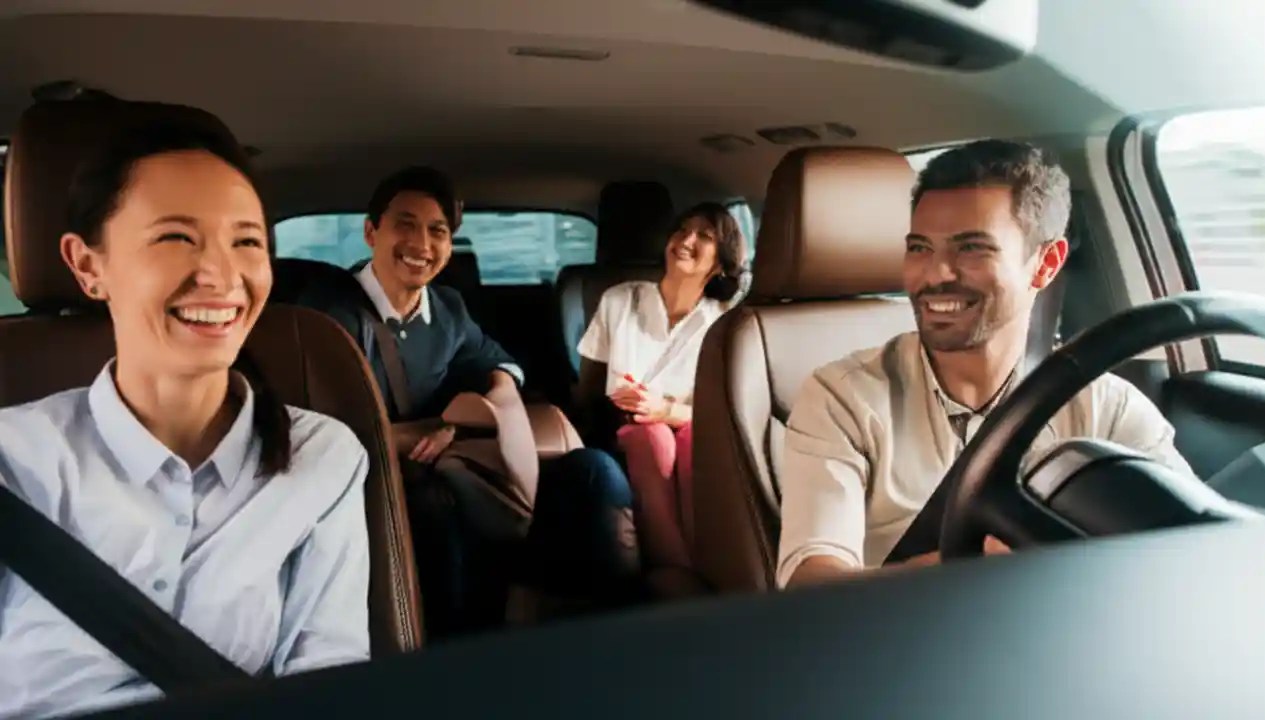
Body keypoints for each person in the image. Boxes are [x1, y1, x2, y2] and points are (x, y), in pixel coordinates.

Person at [0, 125, 370, 719]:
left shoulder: (321, 455)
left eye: (247, 242)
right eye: (176, 237)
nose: (222, 277)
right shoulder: (14, 459)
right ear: (87, 265)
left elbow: (328, 679)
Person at [776, 140, 1196, 589]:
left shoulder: (1106, 406)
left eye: (971, 248)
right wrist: (965, 571)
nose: (935, 274)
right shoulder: (844, 397)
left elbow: (1199, 547)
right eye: (919, 248)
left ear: (1045, 264)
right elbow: (809, 582)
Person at [302, 167, 639, 633]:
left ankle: (609, 630)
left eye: (437, 230)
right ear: (370, 232)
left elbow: (497, 361)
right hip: (381, 482)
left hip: (461, 466)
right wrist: (424, 434)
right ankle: (461, 648)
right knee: (433, 505)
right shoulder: (325, 314)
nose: (422, 244)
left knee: (595, 470)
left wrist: (498, 397)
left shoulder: (445, 308)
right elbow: (321, 430)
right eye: (405, 224)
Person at [577, 203, 746, 572]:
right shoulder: (619, 300)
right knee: (652, 437)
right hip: (620, 427)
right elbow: (587, 388)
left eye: (704, 236)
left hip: (690, 428)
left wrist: (667, 411)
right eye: (681, 230)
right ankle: (675, 569)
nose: (686, 240)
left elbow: (730, 409)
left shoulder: (727, 321)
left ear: (720, 261)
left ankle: (716, 563)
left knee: (688, 439)